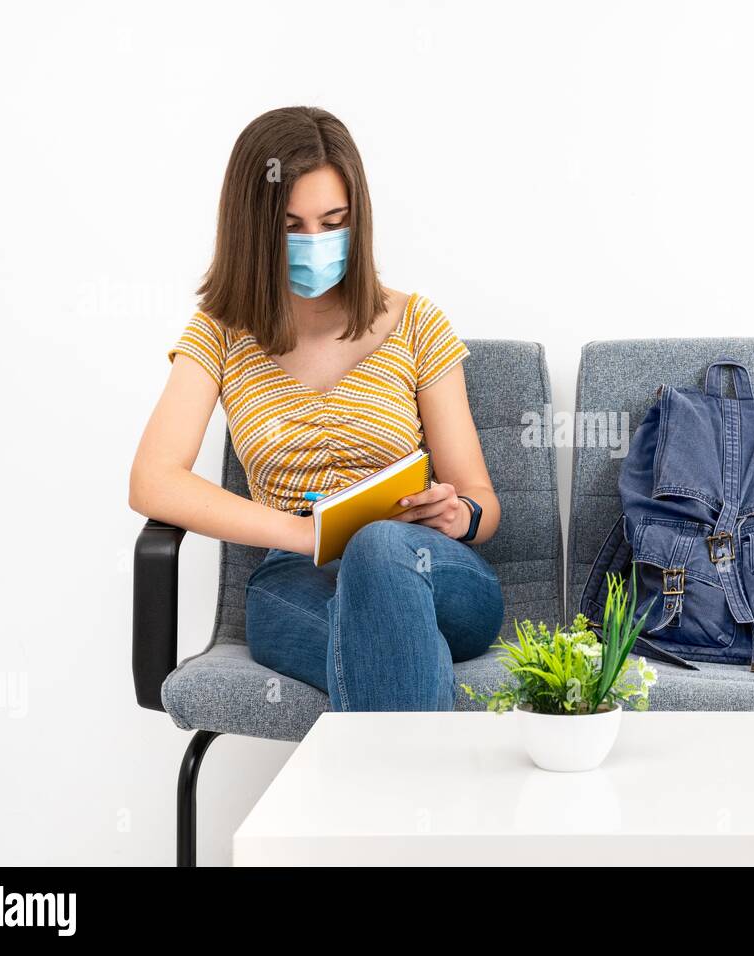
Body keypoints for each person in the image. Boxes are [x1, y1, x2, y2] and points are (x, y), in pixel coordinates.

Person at [129, 106, 504, 711]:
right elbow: (153, 479)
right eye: (291, 226)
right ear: (254, 229)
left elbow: (483, 504)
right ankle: (423, 799)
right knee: (390, 647)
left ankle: (379, 801)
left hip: (431, 570)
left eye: (333, 222)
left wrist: (459, 513)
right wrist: (304, 535)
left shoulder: (416, 323)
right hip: (296, 583)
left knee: (378, 549)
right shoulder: (221, 332)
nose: (315, 244)